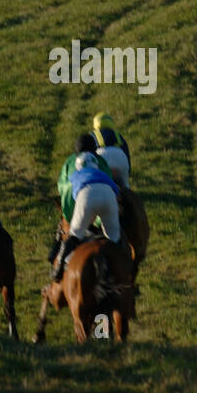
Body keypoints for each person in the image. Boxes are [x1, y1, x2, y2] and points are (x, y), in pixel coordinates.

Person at [52, 151, 122, 281]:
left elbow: (67, 203)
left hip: (87, 196)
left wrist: (73, 219)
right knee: (115, 240)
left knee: (74, 235)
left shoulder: (75, 176)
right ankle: (124, 273)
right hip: (109, 195)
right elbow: (117, 193)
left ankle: (59, 268)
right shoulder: (103, 174)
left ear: (78, 166)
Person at [49, 135, 108, 266]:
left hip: (76, 203)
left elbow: (62, 188)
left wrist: (70, 217)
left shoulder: (69, 161)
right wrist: (98, 222)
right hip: (103, 203)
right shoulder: (100, 161)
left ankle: (58, 268)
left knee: (70, 233)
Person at [91, 112, 131, 187]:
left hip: (102, 155)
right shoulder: (117, 135)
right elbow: (125, 150)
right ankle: (128, 195)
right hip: (120, 155)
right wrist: (128, 170)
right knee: (124, 184)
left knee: (102, 184)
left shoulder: (93, 134)